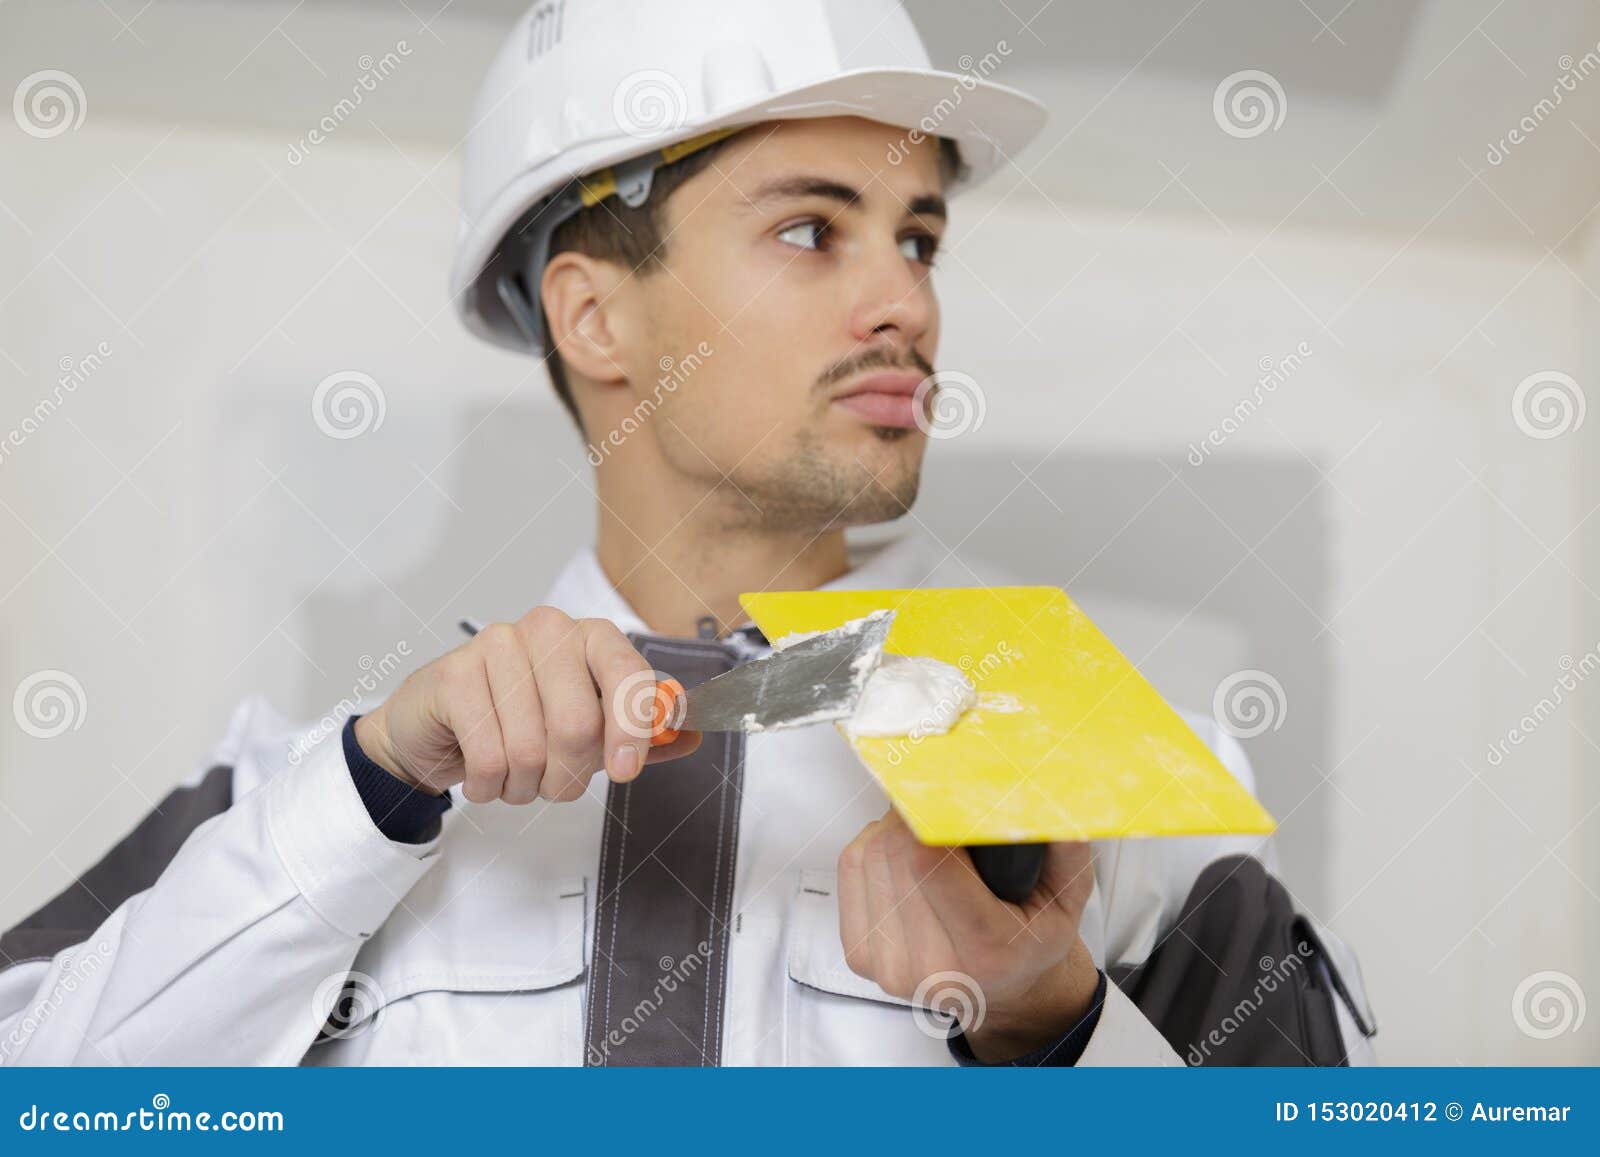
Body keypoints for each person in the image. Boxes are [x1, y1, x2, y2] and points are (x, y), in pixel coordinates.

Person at [0, 0, 1375, 1067]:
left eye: (919, 240)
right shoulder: (306, 795)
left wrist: (1057, 1025)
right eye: (812, 232)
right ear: (594, 316)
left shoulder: (1126, 785)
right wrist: (365, 798)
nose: (907, 302)